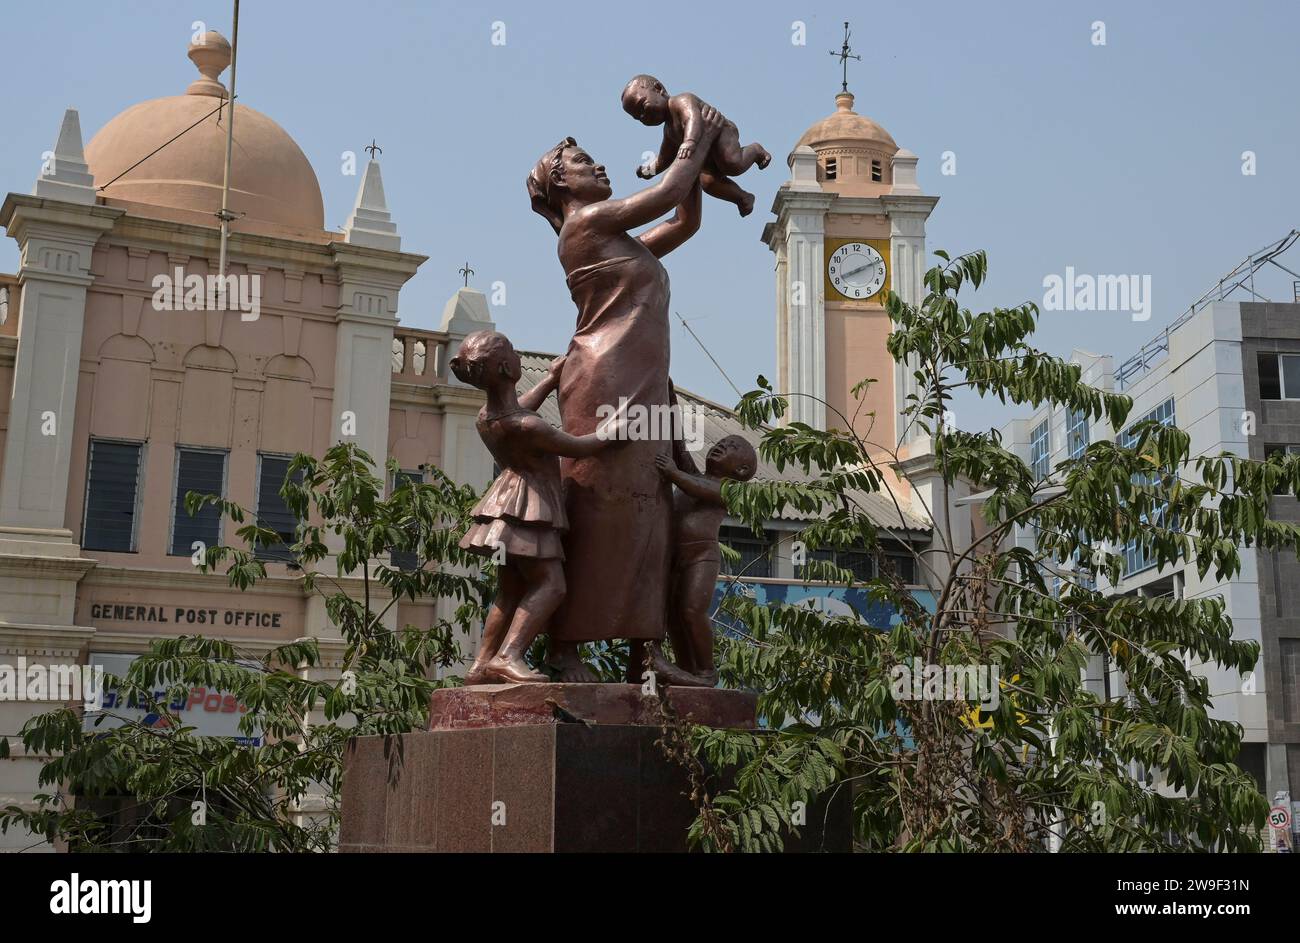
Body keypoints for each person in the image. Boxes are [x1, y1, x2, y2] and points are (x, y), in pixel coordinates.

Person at [525, 103, 725, 683]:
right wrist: (693, 135)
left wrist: (689, 154)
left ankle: (645, 651)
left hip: (644, 382)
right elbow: (665, 195)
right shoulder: (584, 227)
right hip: (606, 380)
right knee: (600, 506)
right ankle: (564, 650)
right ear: (561, 181)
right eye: (584, 161)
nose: (600, 165)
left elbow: (683, 218)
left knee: (649, 510)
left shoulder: (622, 240)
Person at [450, 331, 620, 684]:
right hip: (530, 505)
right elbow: (577, 446)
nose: (517, 355)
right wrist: (613, 431)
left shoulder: (487, 416)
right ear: (505, 366)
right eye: (512, 352)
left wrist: (548, 379)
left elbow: (520, 406)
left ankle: (481, 663)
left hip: (504, 505)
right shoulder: (528, 426)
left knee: (510, 588)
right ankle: (510, 655)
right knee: (552, 585)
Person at [653, 435, 757, 686]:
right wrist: (670, 407)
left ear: (741, 470)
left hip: (701, 557)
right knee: (674, 615)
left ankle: (706, 671)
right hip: (673, 555)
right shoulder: (695, 474)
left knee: (691, 609)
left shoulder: (728, 490)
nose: (721, 445)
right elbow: (681, 451)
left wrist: (672, 473)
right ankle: (686, 667)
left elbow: (693, 487)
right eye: (721, 441)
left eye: (731, 446)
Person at [621, 74, 771, 217]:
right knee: (708, 182)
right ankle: (742, 197)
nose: (643, 116)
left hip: (721, 135)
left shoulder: (681, 101)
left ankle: (755, 150)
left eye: (643, 105)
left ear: (659, 89)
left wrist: (689, 141)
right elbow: (664, 157)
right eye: (638, 117)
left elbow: (693, 118)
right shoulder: (669, 130)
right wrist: (649, 170)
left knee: (732, 163)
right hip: (707, 155)